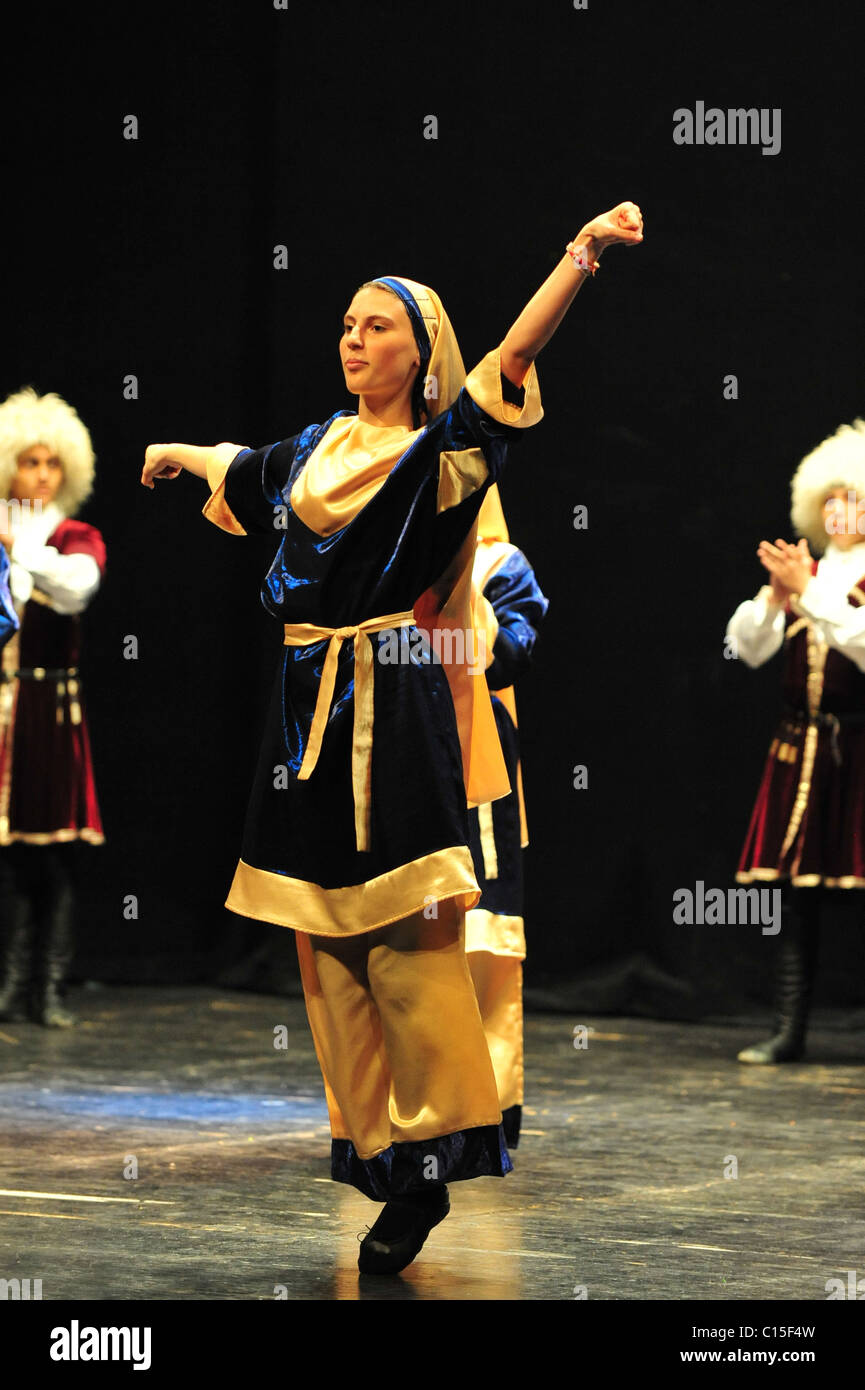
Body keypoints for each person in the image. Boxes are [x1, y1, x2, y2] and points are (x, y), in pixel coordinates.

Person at [141, 201, 643, 1274]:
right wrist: (176, 452)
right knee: (323, 948)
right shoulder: (315, 446)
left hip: (395, 701)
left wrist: (578, 257)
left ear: (421, 353)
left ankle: (431, 1155)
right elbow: (248, 467)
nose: (352, 338)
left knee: (408, 943)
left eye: (376, 326)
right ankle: (380, 1150)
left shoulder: (440, 456)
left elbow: (512, 357)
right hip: (302, 708)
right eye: (345, 325)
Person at [728, 419, 865, 1064]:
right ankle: (790, 1028)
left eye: (858, 496)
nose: (844, 509)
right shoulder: (804, 570)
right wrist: (775, 600)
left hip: (857, 749)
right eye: (834, 497)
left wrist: (810, 595)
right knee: (797, 892)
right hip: (799, 751)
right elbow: (744, 649)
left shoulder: (836, 581)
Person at [0, 389, 105, 1027]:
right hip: (3, 705)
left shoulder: (74, 536)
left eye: (51, 463)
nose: (41, 474)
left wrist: (20, 550)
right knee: (8, 851)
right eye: (29, 461)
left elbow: (76, 590)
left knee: (53, 849)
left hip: (50, 708)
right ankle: (10, 983)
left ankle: (49, 985)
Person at [465, 485, 548, 1146]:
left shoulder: (499, 567)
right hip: (400, 751)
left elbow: (510, 653)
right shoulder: (390, 551)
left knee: (483, 931)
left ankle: (486, 1102)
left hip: (475, 756)